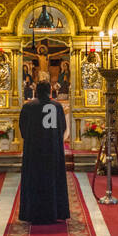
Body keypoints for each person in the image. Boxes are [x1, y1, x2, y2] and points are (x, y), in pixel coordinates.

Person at [18, 81, 70, 224]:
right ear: (50, 91)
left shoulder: (28, 106)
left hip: (34, 151)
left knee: (34, 179)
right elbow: (63, 127)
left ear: (37, 91)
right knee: (53, 179)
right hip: (52, 150)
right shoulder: (57, 106)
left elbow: (22, 128)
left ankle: (32, 213)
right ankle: (55, 211)